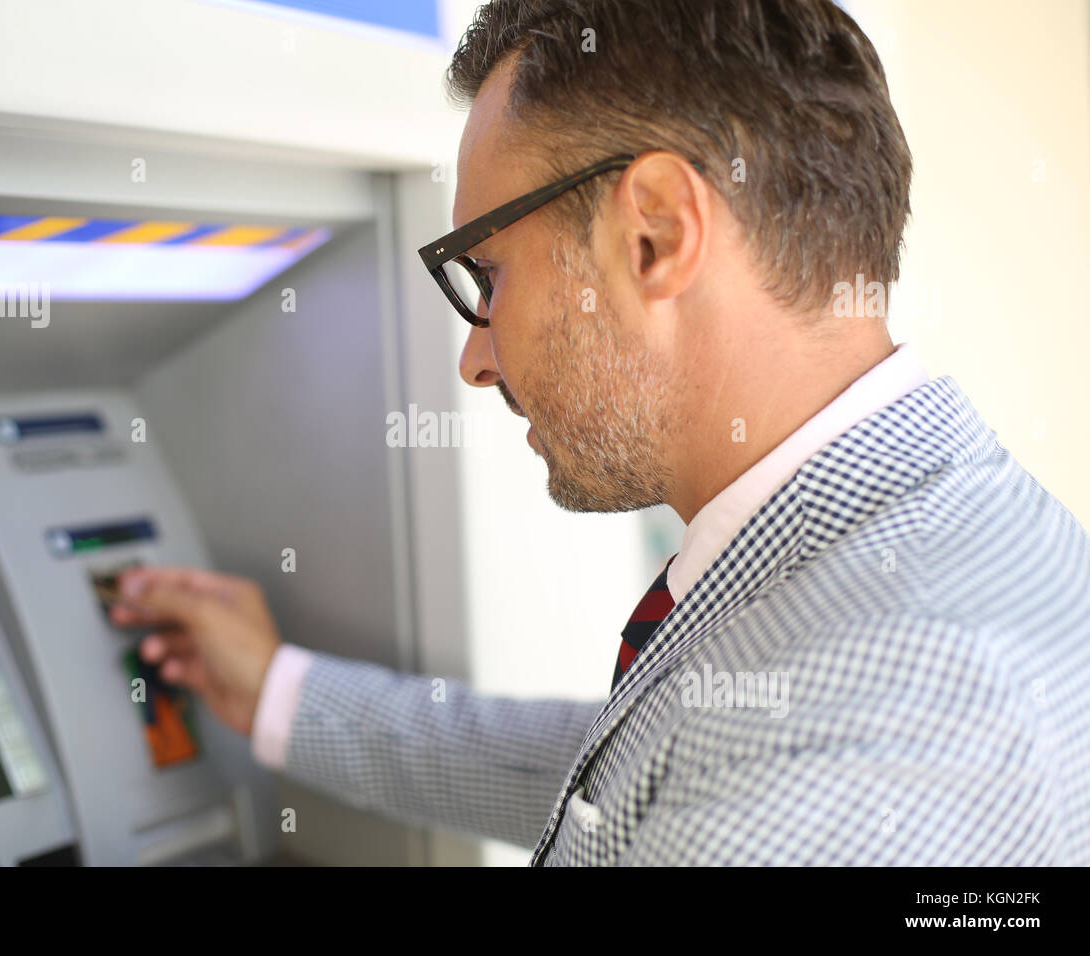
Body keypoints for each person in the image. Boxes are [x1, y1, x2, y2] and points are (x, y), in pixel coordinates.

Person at [112, 0, 1090, 865]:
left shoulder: (864, 745)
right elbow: (635, 776)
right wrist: (281, 693)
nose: (475, 360)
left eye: (487, 277)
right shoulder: (936, 535)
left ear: (654, 236)